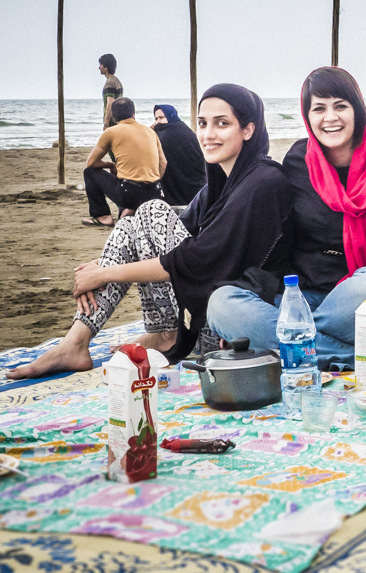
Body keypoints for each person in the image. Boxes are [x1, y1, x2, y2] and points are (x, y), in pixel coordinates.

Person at [8, 85, 291, 378]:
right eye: (203, 123)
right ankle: (75, 342)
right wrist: (101, 266)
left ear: (248, 129)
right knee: (130, 223)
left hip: (230, 327)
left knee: (152, 209)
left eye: (222, 123)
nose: (208, 134)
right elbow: (174, 236)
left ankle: (165, 333)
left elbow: (196, 259)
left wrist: (104, 274)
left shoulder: (264, 182)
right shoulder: (221, 184)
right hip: (206, 313)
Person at [206, 67, 366, 369]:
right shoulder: (297, 161)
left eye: (340, 106)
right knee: (221, 305)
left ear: (358, 110)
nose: (330, 118)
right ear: (307, 116)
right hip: (299, 297)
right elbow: (281, 240)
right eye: (319, 109)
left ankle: (281, 345)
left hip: (360, 300)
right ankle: (360, 355)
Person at [82, 99, 165, 228]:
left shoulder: (110, 132)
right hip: (155, 193)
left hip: (129, 193)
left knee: (89, 172)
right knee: (127, 179)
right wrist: (152, 181)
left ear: (114, 117)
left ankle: (103, 216)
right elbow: (163, 162)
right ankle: (133, 208)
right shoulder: (151, 132)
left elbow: (91, 162)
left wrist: (110, 165)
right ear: (133, 114)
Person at [153, 105, 206, 207]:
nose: (158, 122)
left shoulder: (162, 136)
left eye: (161, 117)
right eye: (156, 119)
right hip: (197, 187)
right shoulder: (186, 130)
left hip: (176, 189)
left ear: (170, 116)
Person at [99, 54, 123, 130]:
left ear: (106, 67)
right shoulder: (116, 81)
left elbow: (110, 103)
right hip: (118, 120)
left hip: (112, 122)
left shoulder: (110, 83)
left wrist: (106, 123)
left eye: (101, 65)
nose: (99, 67)